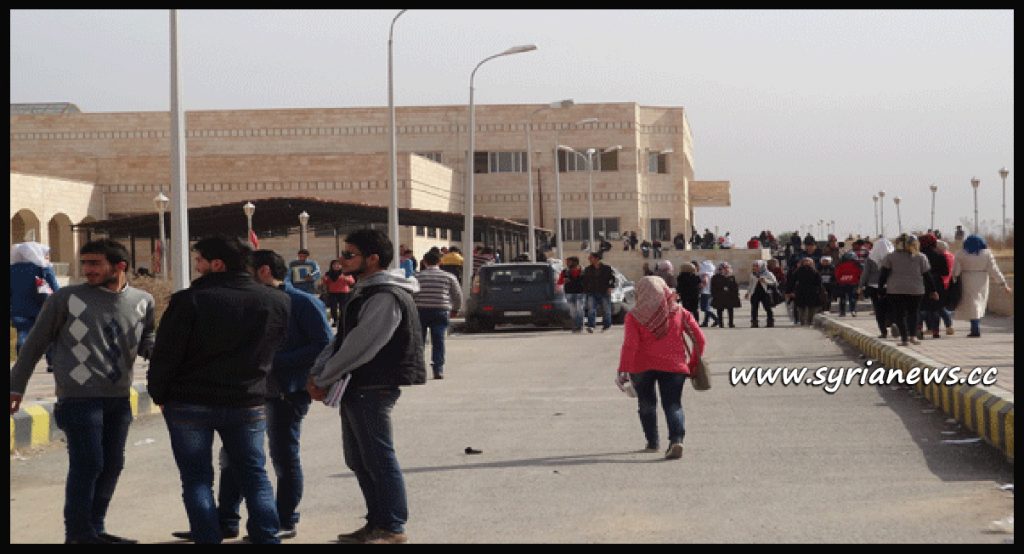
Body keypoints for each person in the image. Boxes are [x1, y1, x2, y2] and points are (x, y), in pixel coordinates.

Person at [10, 239, 154, 545]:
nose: (87, 269)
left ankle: (95, 528)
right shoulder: (67, 299)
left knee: (112, 464)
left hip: (118, 397)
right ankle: (77, 534)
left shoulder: (143, 301)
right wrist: (15, 386)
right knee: (88, 464)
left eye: (94, 263)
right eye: (85, 263)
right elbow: (34, 344)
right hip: (78, 397)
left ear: (119, 266)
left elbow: (147, 339)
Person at [148, 235, 290, 544]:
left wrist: (159, 393)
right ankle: (267, 537)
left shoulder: (190, 300)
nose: (196, 266)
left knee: (197, 479)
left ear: (217, 264)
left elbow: (166, 354)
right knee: (254, 474)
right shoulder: (276, 300)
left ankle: (207, 537)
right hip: (247, 400)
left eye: (199, 260)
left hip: (189, 402)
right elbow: (272, 348)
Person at [306, 229, 425, 544]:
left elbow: (362, 344)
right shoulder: (365, 290)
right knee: (359, 459)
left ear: (373, 259)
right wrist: (318, 372)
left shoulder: (384, 295)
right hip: (356, 385)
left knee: (378, 458)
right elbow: (342, 338)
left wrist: (325, 377)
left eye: (349, 254)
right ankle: (376, 522)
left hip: (374, 385)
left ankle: (392, 526)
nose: (342, 260)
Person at [207, 249, 332, 542]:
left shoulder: (302, 302)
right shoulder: (249, 300)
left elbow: (324, 343)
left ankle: (284, 519)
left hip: (286, 392)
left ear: (264, 271)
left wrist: (275, 362)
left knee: (283, 458)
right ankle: (226, 520)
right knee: (234, 456)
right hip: (247, 391)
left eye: (246, 271)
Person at [616, 276, 705, 459]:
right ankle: (676, 440)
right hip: (674, 366)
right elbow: (700, 340)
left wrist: (623, 369)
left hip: (641, 366)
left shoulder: (634, 316)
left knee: (646, 404)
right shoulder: (679, 312)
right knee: (673, 404)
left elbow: (630, 345)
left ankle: (652, 443)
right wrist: (693, 363)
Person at [10, 241, 61, 372]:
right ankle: (52, 363)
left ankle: (22, 364)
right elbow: (54, 287)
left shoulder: (12, 270)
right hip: (42, 307)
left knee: (23, 335)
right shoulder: (43, 267)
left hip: (19, 309)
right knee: (48, 335)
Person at [878, 234, 937, 346]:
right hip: (915, 290)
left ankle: (904, 339)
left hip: (895, 290)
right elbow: (927, 275)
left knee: (899, 314)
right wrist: (933, 290)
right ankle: (913, 336)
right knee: (913, 313)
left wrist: (880, 289)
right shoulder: (921, 257)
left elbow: (883, 274)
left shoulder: (890, 257)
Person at [413, 250, 464, 379]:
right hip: (441, 311)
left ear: (424, 262)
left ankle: (419, 370)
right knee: (438, 340)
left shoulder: (416, 277)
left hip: (420, 311)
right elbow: (457, 294)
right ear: (440, 262)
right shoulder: (448, 277)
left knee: (419, 341)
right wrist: (456, 309)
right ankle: (438, 369)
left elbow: (411, 294)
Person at [952, 235, 1012, 338]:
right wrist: (1003, 284)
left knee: (971, 304)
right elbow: (994, 270)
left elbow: (956, 271)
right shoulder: (987, 254)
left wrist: (954, 278)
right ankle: (975, 327)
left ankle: (974, 328)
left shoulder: (960, 254)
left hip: (966, 279)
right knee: (978, 303)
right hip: (981, 280)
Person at [860, 238, 895, 338]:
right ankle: (892, 322)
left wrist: (860, 285)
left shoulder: (871, 258)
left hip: (874, 287)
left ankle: (883, 332)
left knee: (878, 310)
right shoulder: (893, 257)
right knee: (891, 307)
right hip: (890, 286)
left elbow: (865, 273)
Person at [917, 233, 949, 339]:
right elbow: (945, 272)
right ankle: (935, 332)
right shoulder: (939, 256)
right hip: (936, 284)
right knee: (935, 309)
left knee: (921, 308)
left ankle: (919, 329)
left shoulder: (917, 256)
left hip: (921, 283)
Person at [581, 252, 616, 333]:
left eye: (591, 257)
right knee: (591, 310)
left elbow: (612, 279)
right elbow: (584, 280)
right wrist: (585, 290)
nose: (589, 259)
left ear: (597, 258)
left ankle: (606, 326)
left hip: (604, 292)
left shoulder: (607, 268)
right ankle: (591, 326)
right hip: (591, 292)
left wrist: (610, 287)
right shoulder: (588, 269)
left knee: (606, 310)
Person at [787, 257, 823, 326]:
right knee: (801, 306)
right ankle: (802, 321)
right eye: (805, 261)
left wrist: (819, 290)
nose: (807, 262)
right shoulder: (798, 271)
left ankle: (810, 321)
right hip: (800, 291)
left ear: (812, 263)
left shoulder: (815, 271)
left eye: (808, 261)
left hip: (812, 291)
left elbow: (819, 282)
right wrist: (790, 291)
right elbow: (792, 281)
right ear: (802, 262)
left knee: (812, 307)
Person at [322, 259, 356, 326]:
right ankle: (335, 321)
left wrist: (346, 278)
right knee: (333, 308)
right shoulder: (328, 274)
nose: (336, 266)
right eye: (334, 264)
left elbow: (352, 282)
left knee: (343, 308)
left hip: (344, 293)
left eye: (338, 264)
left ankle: (342, 321)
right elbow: (325, 283)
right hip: (332, 293)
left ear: (341, 265)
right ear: (331, 266)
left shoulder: (346, 272)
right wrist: (324, 280)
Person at [745, 260, 778, 328]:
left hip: (765, 293)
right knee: (754, 308)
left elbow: (774, 282)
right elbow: (750, 284)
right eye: (754, 266)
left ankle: (770, 322)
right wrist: (748, 293)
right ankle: (754, 323)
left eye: (756, 266)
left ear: (761, 266)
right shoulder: (753, 274)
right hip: (755, 293)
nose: (754, 267)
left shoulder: (768, 273)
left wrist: (765, 281)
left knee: (767, 308)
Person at [558, 256, 587, 333]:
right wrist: (563, 280)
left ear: (575, 262)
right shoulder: (565, 272)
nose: (567, 263)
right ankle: (575, 325)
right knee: (573, 311)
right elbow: (559, 282)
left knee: (579, 309)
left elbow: (589, 281)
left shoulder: (583, 271)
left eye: (569, 262)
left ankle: (580, 326)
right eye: (567, 262)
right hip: (569, 293)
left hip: (581, 292)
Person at [935, 240, 957, 335]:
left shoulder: (941, 257)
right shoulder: (952, 256)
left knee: (938, 307)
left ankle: (948, 324)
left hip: (941, 283)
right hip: (949, 283)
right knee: (940, 306)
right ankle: (946, 326)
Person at [710, 262, 740, 328]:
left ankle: (731, 323)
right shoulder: (715, 277)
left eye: (727, 268)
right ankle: (721, 324)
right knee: (719, 310)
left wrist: (735, 294)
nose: (726, 269)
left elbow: (735, 286)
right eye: (724, 268)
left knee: (730, 310)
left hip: (729, 296)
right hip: (719, 296)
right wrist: (715, 295)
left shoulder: (731, 277)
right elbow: (713, 287)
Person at [833, 252, 862, 317]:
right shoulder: (857, 265)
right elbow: (859, 274)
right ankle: (853, 311)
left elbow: (837, 274)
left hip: (842, 284)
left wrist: (839, 281)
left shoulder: (840, 265)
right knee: (852, 298)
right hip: (853, 284)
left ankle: (842, 312)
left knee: (842, 298)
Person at [697, 260, 719, 327]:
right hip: (711, 292)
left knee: (704, 308)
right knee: (708, 307)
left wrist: (700, 286)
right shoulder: (712, 274)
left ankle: (716, 319)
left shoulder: (705, 274)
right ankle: (705, 322)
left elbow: (705, 281)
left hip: (705, 292)